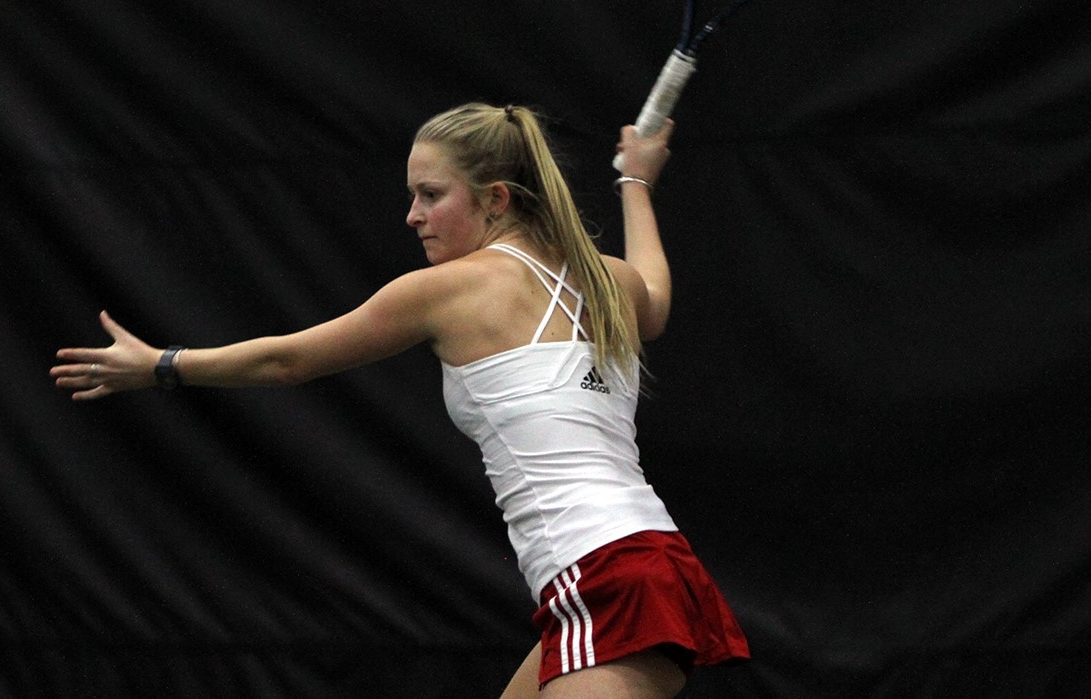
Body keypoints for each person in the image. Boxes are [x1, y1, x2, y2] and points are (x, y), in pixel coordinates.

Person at [52, 103, 749, 697]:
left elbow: (288, 358)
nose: (412, 215)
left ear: (496, 199)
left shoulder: (451, 289)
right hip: (636, 563)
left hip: (609, 574)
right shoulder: (607, 280)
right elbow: (654, 294)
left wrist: (161, 365)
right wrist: (635, 180)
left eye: (430, 194)